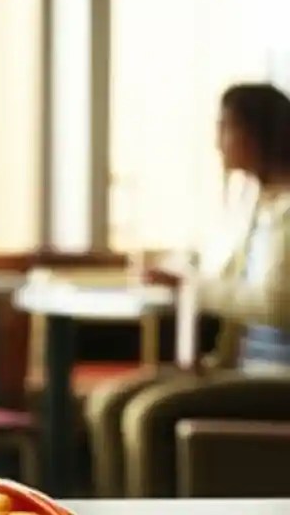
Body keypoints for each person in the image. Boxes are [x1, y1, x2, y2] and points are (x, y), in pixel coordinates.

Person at [87, 82, 290, 497]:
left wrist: (192, 285)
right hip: (239, 367)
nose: (218, 142)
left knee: (147, 414)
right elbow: (218, 274)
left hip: (279, 375)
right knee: (107, 402)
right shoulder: (253, 206)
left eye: (226, 127)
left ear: (259, 134)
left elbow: (276, 305)